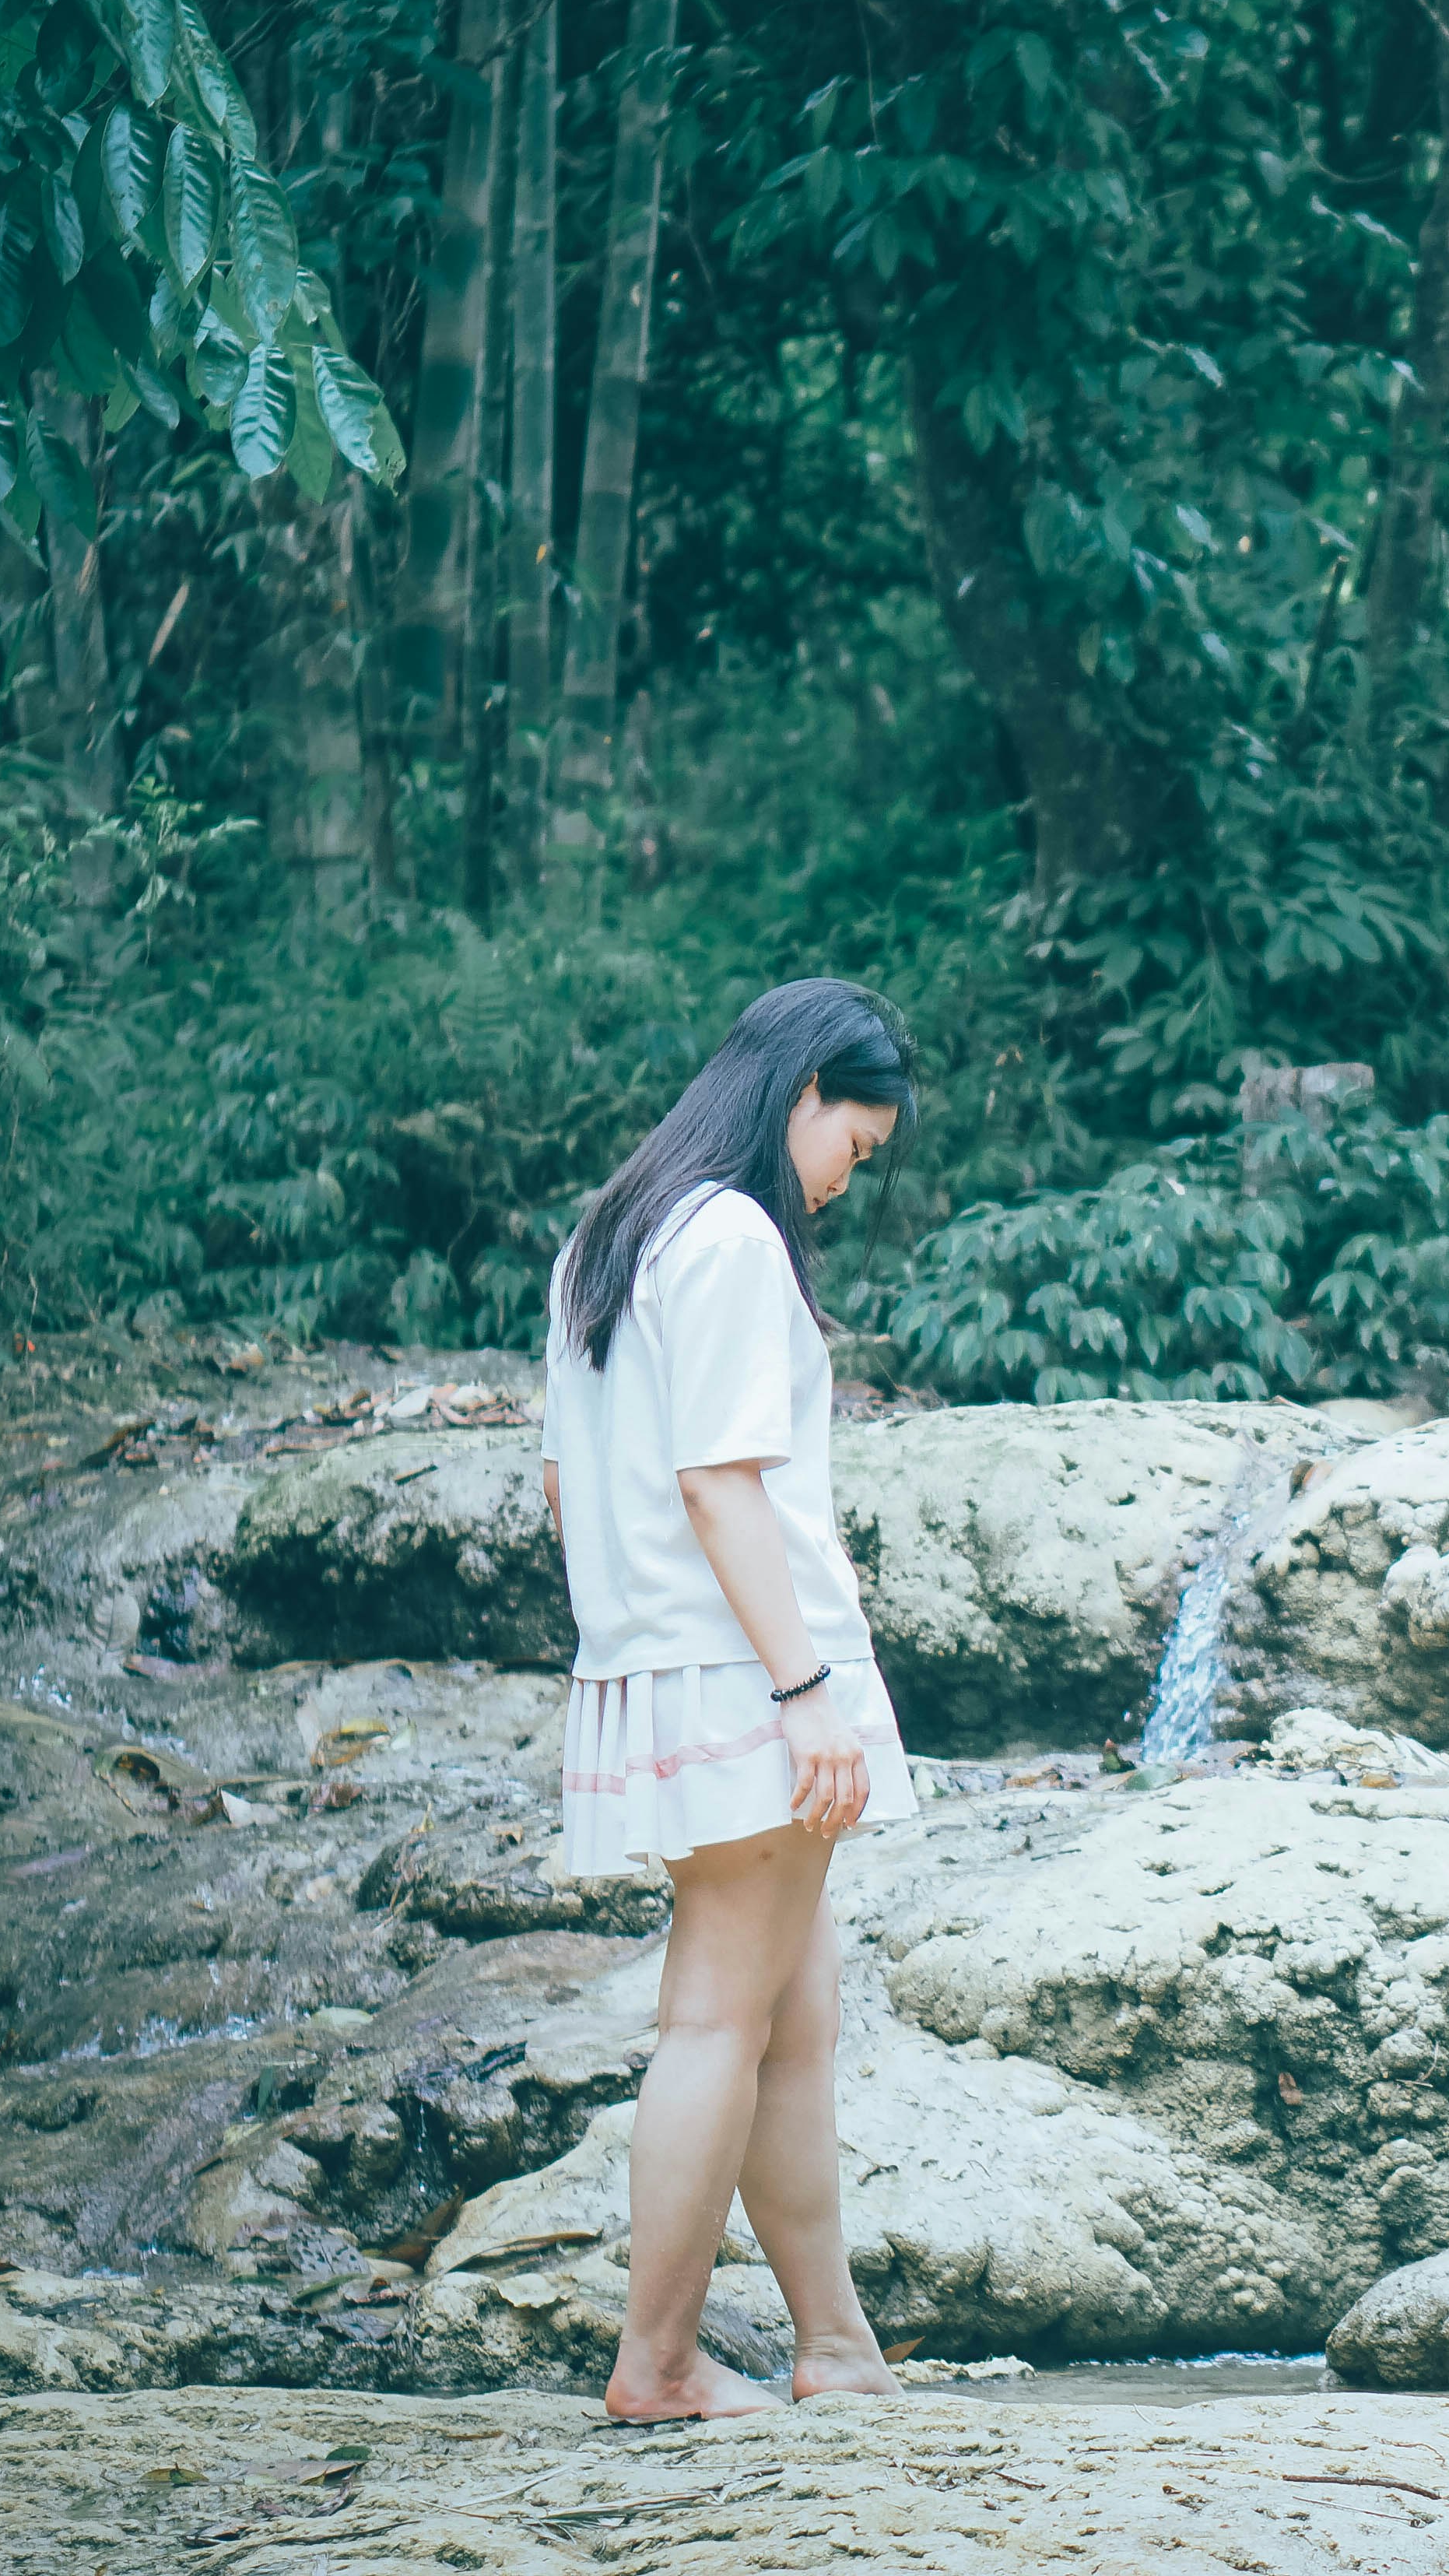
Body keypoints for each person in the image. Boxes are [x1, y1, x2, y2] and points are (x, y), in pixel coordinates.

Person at [539, 977, 925, 2423]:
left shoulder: (609, 1237)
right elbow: (719, 1482)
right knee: (717, 2017)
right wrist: (806, 1690)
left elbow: (569, 1484)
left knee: (792, 2016)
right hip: (749, 1673)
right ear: (805, 1091)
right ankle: (657, 2363)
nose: (845, 1181)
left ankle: (836, 2346)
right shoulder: (733, 1237)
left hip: (665, 1664)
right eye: (854, 1146)